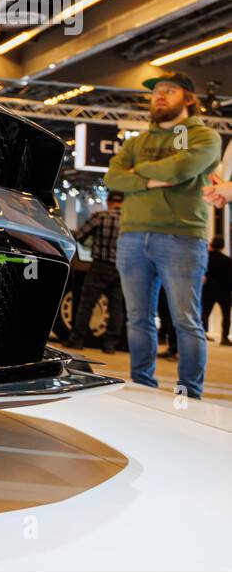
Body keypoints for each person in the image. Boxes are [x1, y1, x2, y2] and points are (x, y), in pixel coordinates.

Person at [104, 70, 222, 399]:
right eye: (156, 91)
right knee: (138, 319)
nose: (159, 95)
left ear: (188, 98)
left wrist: (137, 174)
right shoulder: (137, 142)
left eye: (169, 90)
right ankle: (143, 388)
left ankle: (188, 394)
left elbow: (180, 169)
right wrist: (154, 178)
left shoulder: (205, 137)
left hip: (182, 237)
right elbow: (113, 178)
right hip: (132, 237)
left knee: (186, 320)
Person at [68, 193, 125, 353]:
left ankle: (77, 341)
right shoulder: (129, 221)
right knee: (116, 307)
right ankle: (110, 345)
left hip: (99, 266)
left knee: (87, 304)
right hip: (120, 268)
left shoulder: (99, 216)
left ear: (108, 201)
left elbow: (78, 236)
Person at [203, 235, 231, 349]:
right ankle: (224, 337)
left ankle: (202, 333)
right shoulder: (227, 260)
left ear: (211, 244)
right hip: (224, 291)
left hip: (209, 289)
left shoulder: (206, 258)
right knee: (226, 314)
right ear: (223, 246)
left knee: (205, 312)